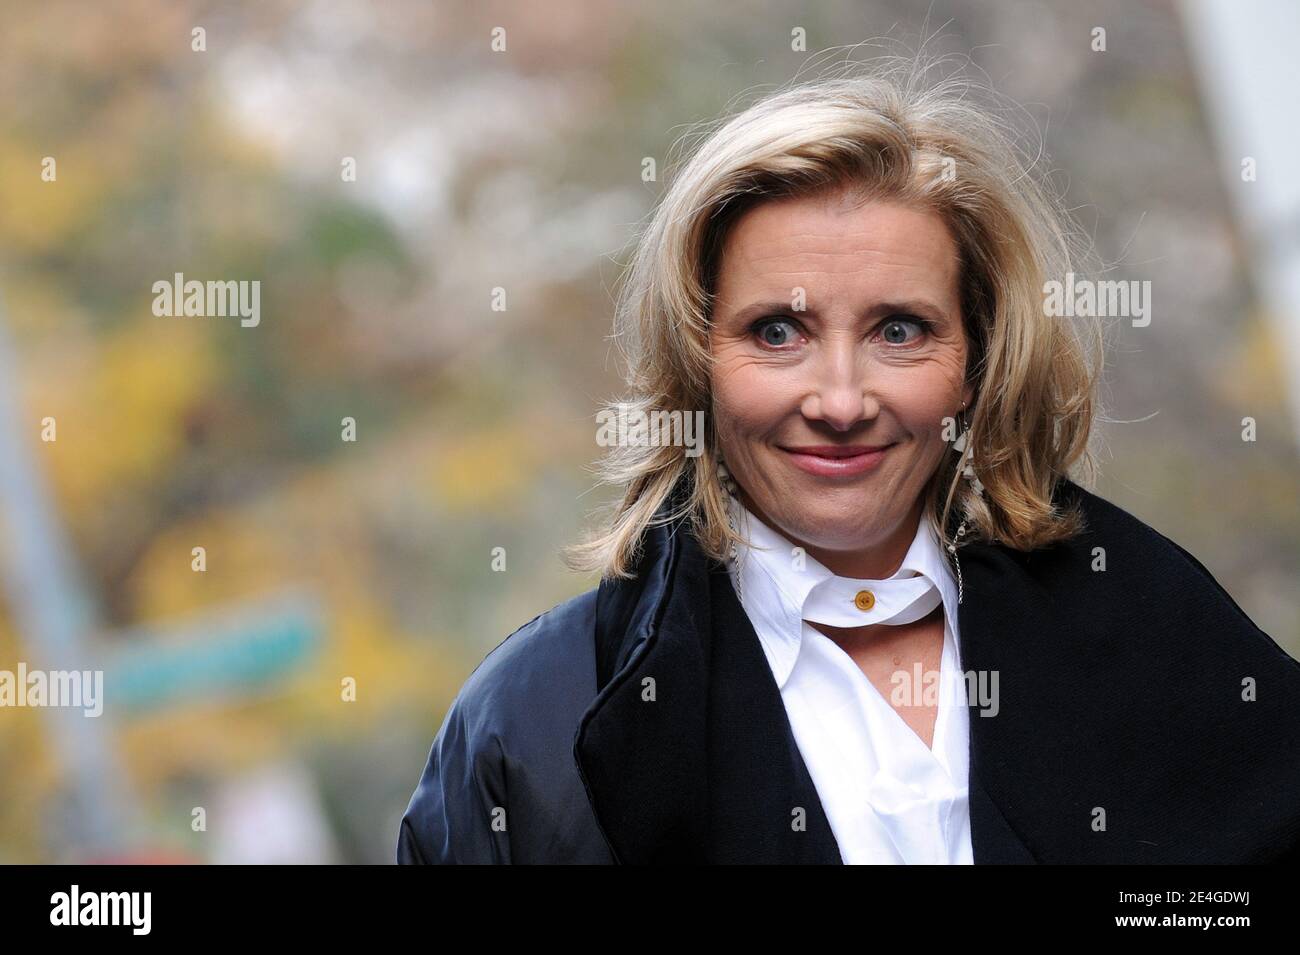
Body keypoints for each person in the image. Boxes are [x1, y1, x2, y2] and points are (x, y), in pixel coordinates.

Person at [397, 63, 1300, 864]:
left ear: (978, 362)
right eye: (776, 331)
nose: (838, 400)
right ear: (696, 361)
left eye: (898, 330)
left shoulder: (1153, 626)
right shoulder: (534, 724)